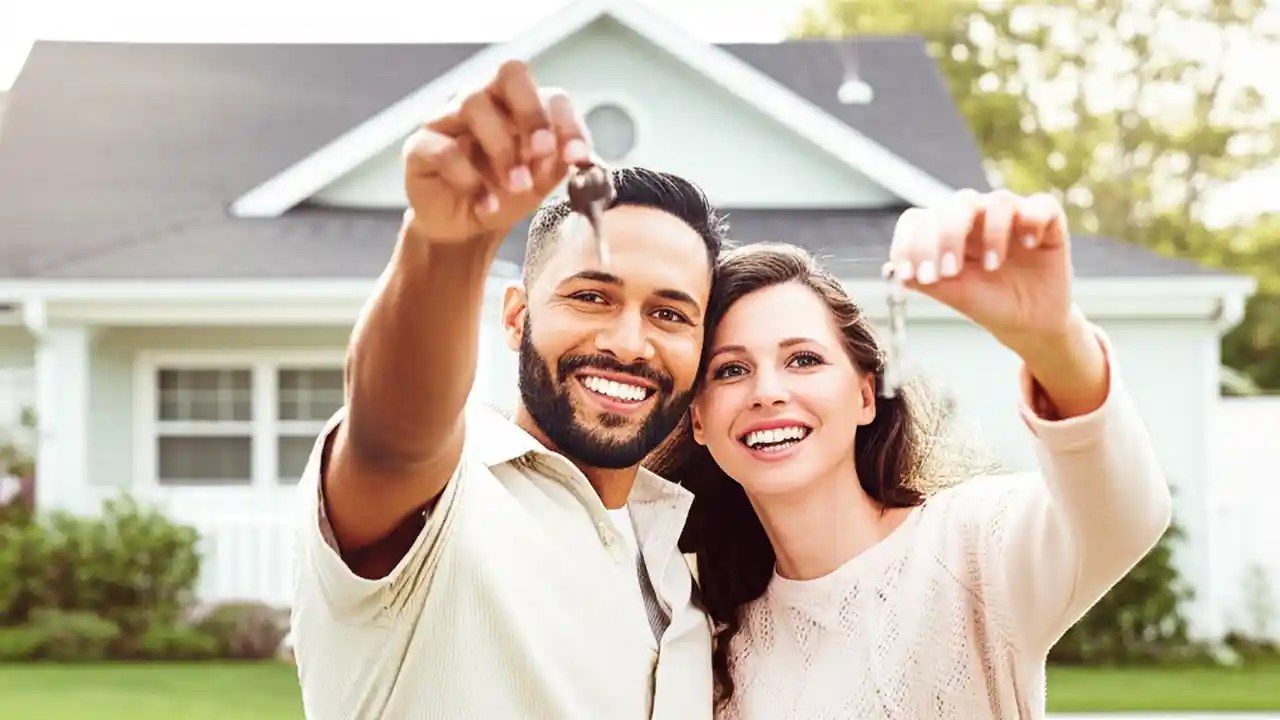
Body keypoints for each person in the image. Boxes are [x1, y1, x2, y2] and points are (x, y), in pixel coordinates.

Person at [289, 60, 727, 720]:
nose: (630, 343)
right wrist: (448, 246)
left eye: (669, 314)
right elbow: (392, 439)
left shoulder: (679, 574)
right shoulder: (446, 499)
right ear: (518, 317)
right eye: (591, 296)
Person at [648, 190, 1174, 718]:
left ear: (865, 396)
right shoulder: (712, 649)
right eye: (731, 370)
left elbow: (1128, 518)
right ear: (698, 420)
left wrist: (1053, 341)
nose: (767, 392)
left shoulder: (968, 546)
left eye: (803, 359)